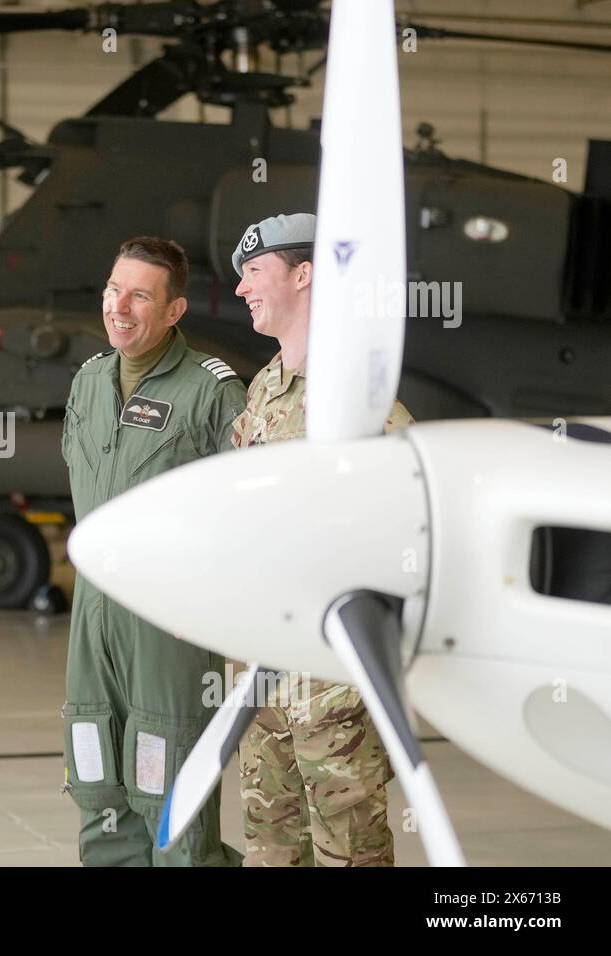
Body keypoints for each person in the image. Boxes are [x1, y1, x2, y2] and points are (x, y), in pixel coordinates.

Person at [230, 212, 412, 866]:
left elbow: (406, 513)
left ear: (303, 273)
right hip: (264, 670)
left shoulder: (356, 394)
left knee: (350, 852)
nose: (242, 288)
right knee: (272, 847)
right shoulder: (264, 388)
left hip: (333, 679)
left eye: (253, 272)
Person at [61, 236, 247, 866]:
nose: (120, 306)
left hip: (168, 619)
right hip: (94, 614)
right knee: (97, 771)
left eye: (140, 295)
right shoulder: (87, 382)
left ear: (174, 311)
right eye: (114, 290)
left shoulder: (211, 392)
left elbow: (246, 514)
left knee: (169, 782)